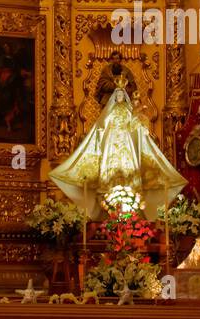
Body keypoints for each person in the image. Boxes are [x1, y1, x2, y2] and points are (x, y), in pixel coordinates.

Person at [49, 74, 186, 220]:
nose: (120, 96)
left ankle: (132, 208)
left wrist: (140, 122)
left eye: (122, 94)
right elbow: (101, 128)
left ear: (124, 95)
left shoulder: (128, 110)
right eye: (118, 94)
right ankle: (107, 209)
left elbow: (135, 126)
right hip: (111, 146)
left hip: (127, 147)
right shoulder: (110, 111)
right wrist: (100, 136)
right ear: (115, 96)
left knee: (130, 171)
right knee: (109, 172)